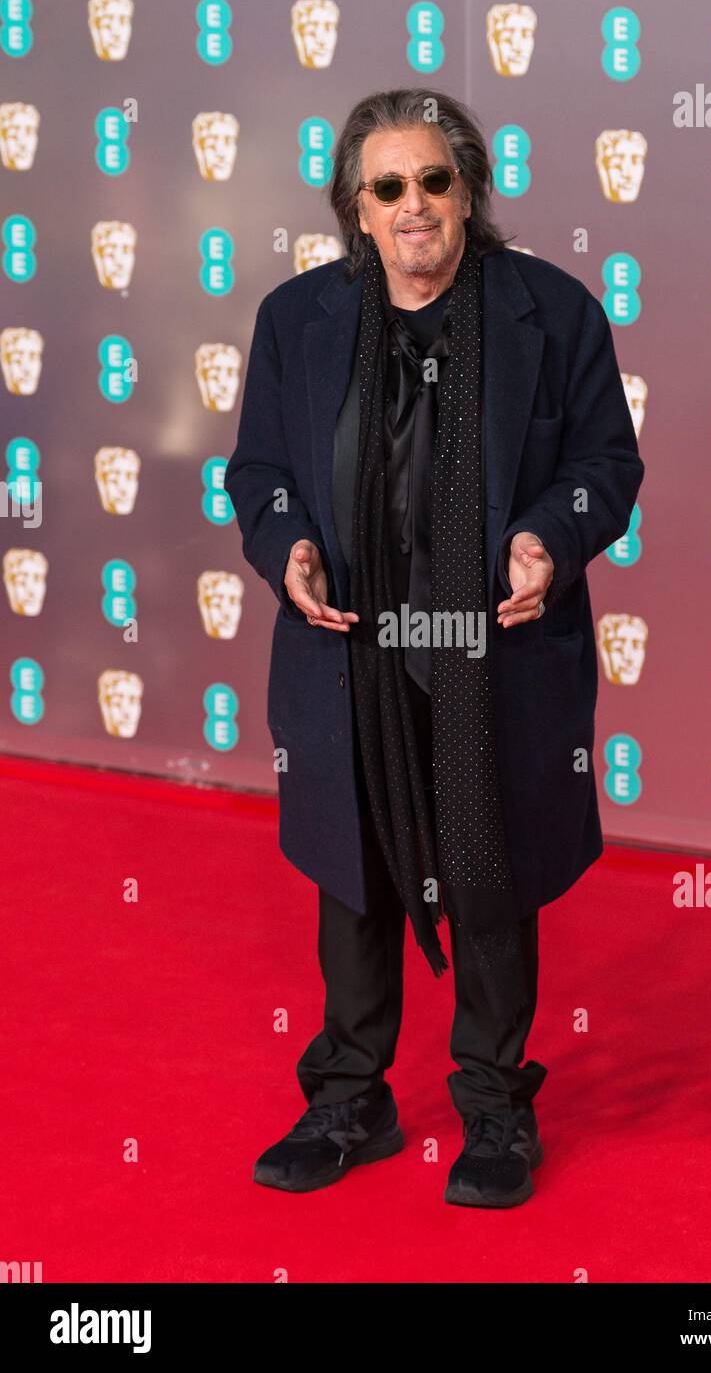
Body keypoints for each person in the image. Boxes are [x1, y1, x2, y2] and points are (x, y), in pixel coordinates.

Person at [224, 88, 645, 1208]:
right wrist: (291, 547)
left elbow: (607, 467)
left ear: (469, 192)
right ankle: (350, 1097)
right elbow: (256, 472)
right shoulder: (294, 319)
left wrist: (548, 541)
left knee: (490, 867)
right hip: (349, 647)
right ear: (355, 210)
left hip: (492, 649)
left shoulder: (550, 313)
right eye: (388, 187)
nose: (415, 206)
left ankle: (497, 1106)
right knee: (353, 870)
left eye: (435, 181)